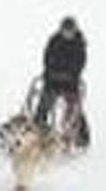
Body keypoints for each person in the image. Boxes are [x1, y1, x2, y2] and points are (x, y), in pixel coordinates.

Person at [35, 16, 90, 148]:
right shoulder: (54, 41)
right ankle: (39, 128)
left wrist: (69, 75)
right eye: (65, 31)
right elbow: (47, 59)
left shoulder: (79, 44)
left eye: (70, 31)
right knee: (44, 104)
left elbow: (80, 64)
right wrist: (51, 72)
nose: (67, 34)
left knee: (74, 109)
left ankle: (79, 136)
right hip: (52, 80)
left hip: (70, 82)